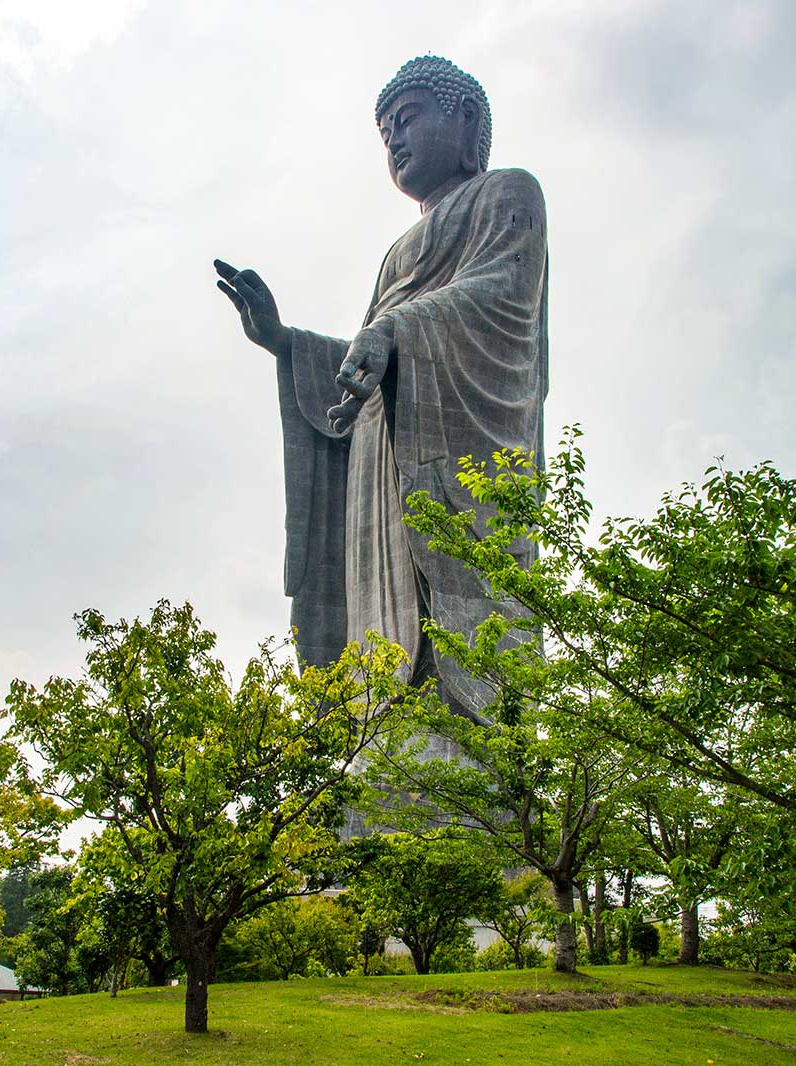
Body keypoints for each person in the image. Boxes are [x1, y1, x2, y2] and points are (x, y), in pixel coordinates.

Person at [215, 55, 548, 722]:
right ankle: (386, 721)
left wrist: (398, 327)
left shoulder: (507, 194)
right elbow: (364, 364)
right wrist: (289, 344)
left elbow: (504, 293)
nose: (394, 139)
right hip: (387, 451)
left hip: (458, 443)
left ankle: (461, 731)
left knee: (454, 598)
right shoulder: (398, 253)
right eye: (384, 131)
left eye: (407, 119)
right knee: (383, 625)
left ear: (466, 119)